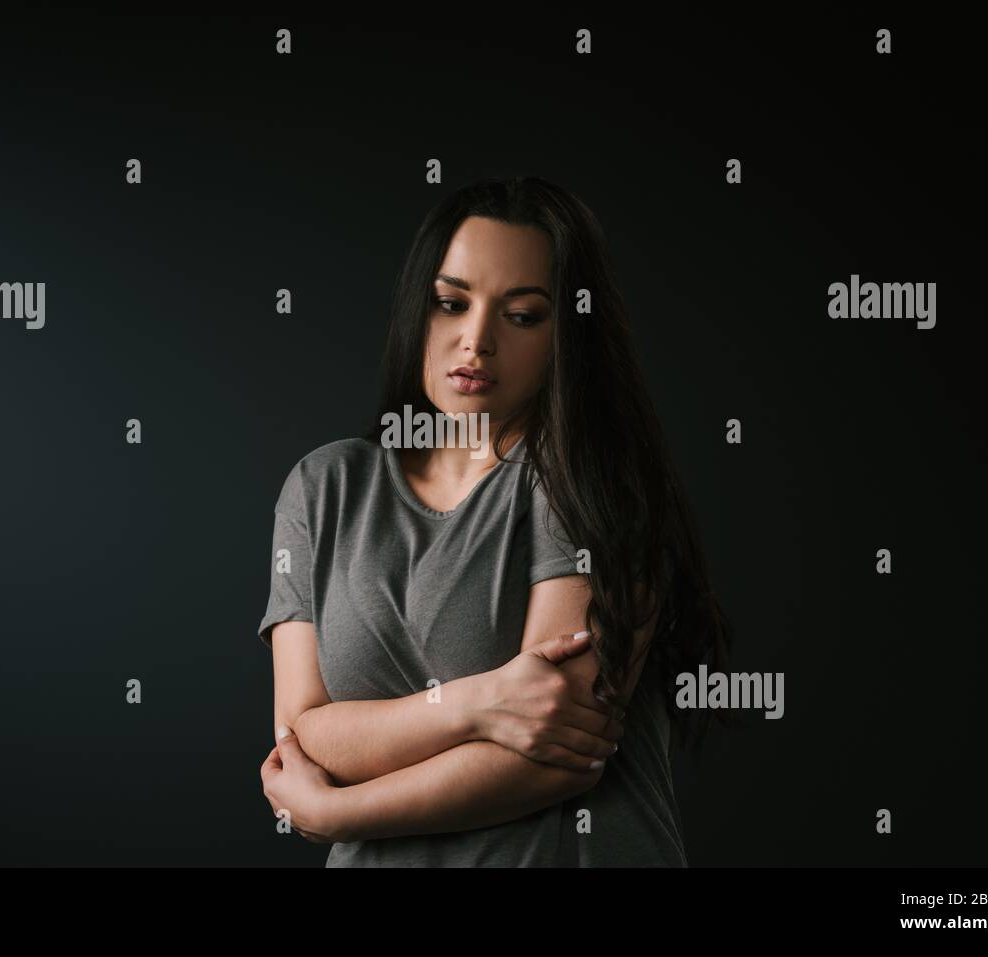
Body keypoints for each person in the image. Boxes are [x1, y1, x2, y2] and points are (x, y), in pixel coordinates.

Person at [258, 176, 733, 866]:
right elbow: (303, 734)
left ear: (568, 331)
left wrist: (335, 809)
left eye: (523, 315)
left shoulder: (588, 481)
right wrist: (479, 703)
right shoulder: (322, 488)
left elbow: (558, 750)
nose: (475, 340)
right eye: (451, 303)